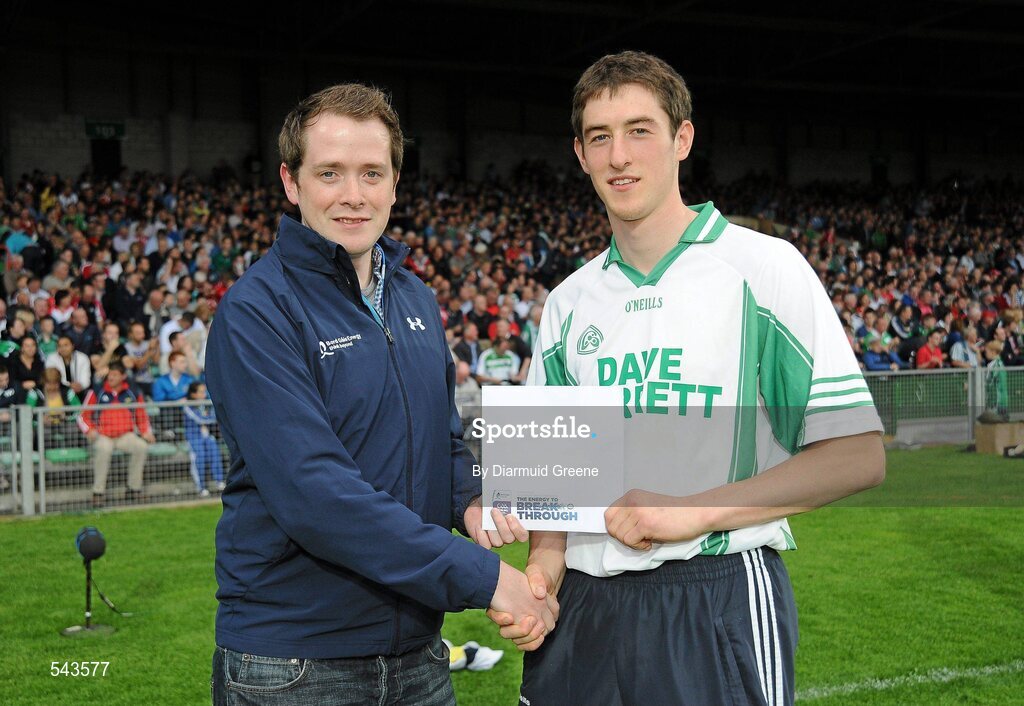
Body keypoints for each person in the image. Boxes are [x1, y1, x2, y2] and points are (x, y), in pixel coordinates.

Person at [493, 51, 885, 706]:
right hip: (585, 608)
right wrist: (543, 568)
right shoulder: (566, 301)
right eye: (600, 137)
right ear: (581, 154)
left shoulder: (762, 269)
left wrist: (690, 511)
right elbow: (549, 489)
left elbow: (858, 455)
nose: (619, 155)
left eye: (639, 130)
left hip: (714, 592)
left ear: (682, 138)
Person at [205, 82, 553, 705]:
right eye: (330, 173)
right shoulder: (257, 311)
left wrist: (472, 499)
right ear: (292, 182)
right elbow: (317, 496)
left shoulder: (415, 297)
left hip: (418, 655)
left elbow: (439, 438)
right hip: (295, 664)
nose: (353, 195)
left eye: (372, 172)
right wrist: (486, 578)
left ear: (395, 183)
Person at [78, 362, 155, 507]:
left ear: (123, 376)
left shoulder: (133, 392)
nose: (111, 378)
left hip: (125, 435)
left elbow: (141, 415)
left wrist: (146, 432)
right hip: (102, 435)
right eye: (110, 374)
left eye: (115, 375)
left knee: (141, 447)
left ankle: (134, 489)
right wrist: (89, 430)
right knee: (104, 449)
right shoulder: (97, 391)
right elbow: (82, 416)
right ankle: (98, 492)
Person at [182, 381, 224, 497]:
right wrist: (209, 418)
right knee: (199, 456)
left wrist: (209, 418)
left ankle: (219, 480)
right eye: (201, 392)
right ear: (193, 394)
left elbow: (215, 416)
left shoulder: (206, 403)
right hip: (193, 437)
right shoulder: (188, 406)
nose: (204, 394)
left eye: (204, 391)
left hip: (206, 436)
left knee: (214, 450)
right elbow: (201, 419)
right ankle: (201, 486)